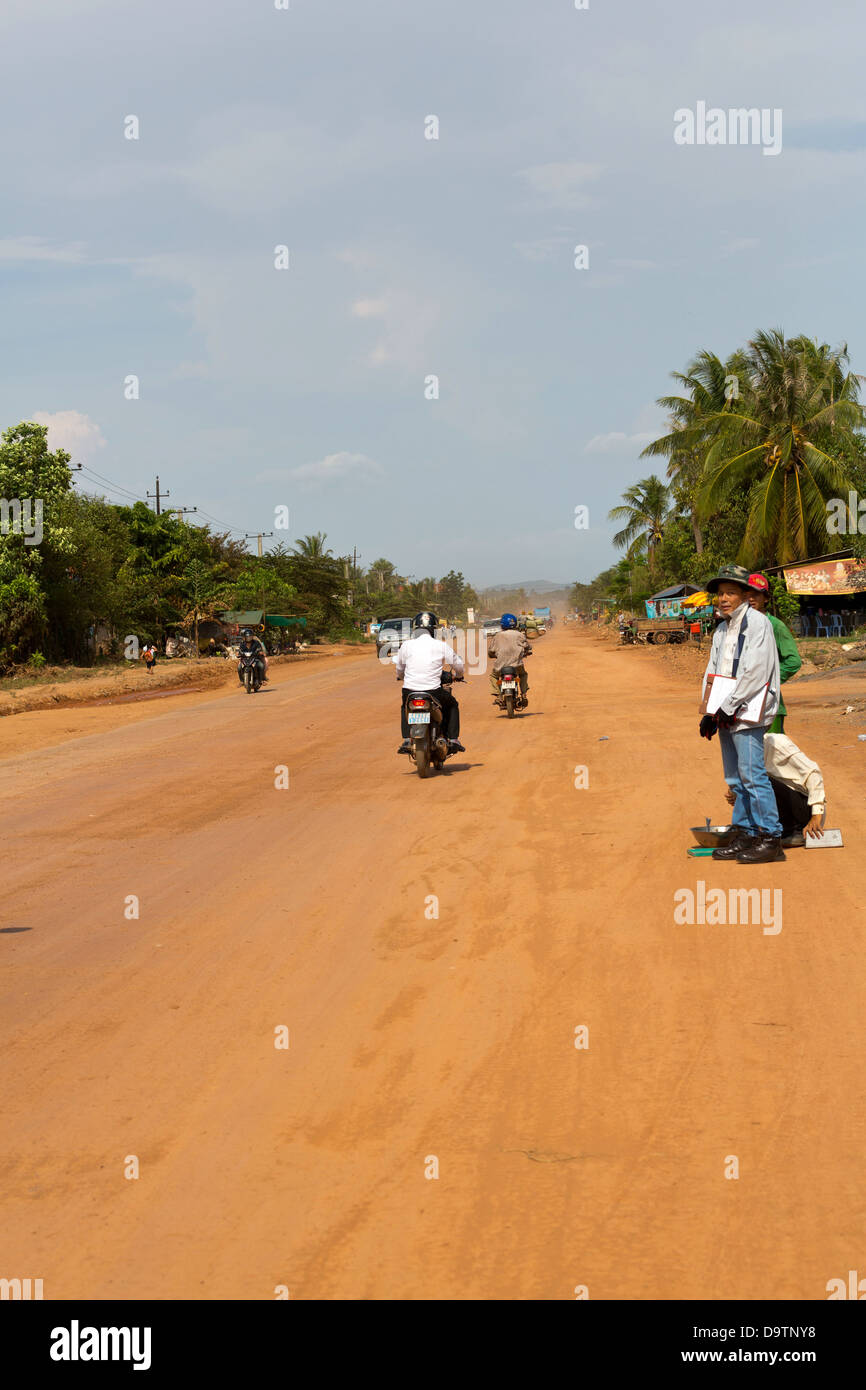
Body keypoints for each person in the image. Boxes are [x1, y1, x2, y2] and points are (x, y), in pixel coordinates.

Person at [699, 565, 783, 863]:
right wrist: (709, 711)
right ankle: (745, 832)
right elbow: (713, 670)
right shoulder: (722, 629)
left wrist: (728, 706)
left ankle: (769, 836)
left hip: (748, 710)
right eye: (720, 593)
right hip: (725, 710)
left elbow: (755, 671)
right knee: (735, 777)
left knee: (752, 775)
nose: (723, 599)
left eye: (730, 593)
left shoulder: (758, 624)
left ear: (746, 596)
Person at [724, 732, 826, 848]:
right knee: (749, 784)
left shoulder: (778, 744)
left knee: (759, 781)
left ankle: (794, 831)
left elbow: (814, 773)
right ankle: (757, 830)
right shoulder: (742, 751)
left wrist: (816, 816)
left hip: (804, 809)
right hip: (782, 810)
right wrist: (738, 796)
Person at [393, 610, 465, 754]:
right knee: (452, 705)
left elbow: (399, 669)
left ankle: (407, 738)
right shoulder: (441, 645)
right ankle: (453, 739)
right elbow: (458, 665)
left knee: (404, 707)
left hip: (410, 691)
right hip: (434, 691)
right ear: (433, 629)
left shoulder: (406, 645)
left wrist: (401, 676)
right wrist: (459, 675)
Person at [747, 573, 801, 732]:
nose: (751, 599)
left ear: (765, 598)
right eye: (747, 594)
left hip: (769, 704)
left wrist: (770, 681)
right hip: (743, 706)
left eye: (756, 594)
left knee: (772, 752)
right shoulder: (739, 627)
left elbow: (793, 661)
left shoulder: (775, 626)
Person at [487, 612, 532, 703]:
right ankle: (523, 694)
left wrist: (492, 655)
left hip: (500, 667)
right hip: (517, 666)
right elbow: (528, 647)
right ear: (515, 623)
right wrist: (527, 652)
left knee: (493, 676)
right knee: (523, 675)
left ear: (502, 624)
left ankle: (498, 695)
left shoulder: (497, 636)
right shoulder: (520, 634)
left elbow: (491, 651)